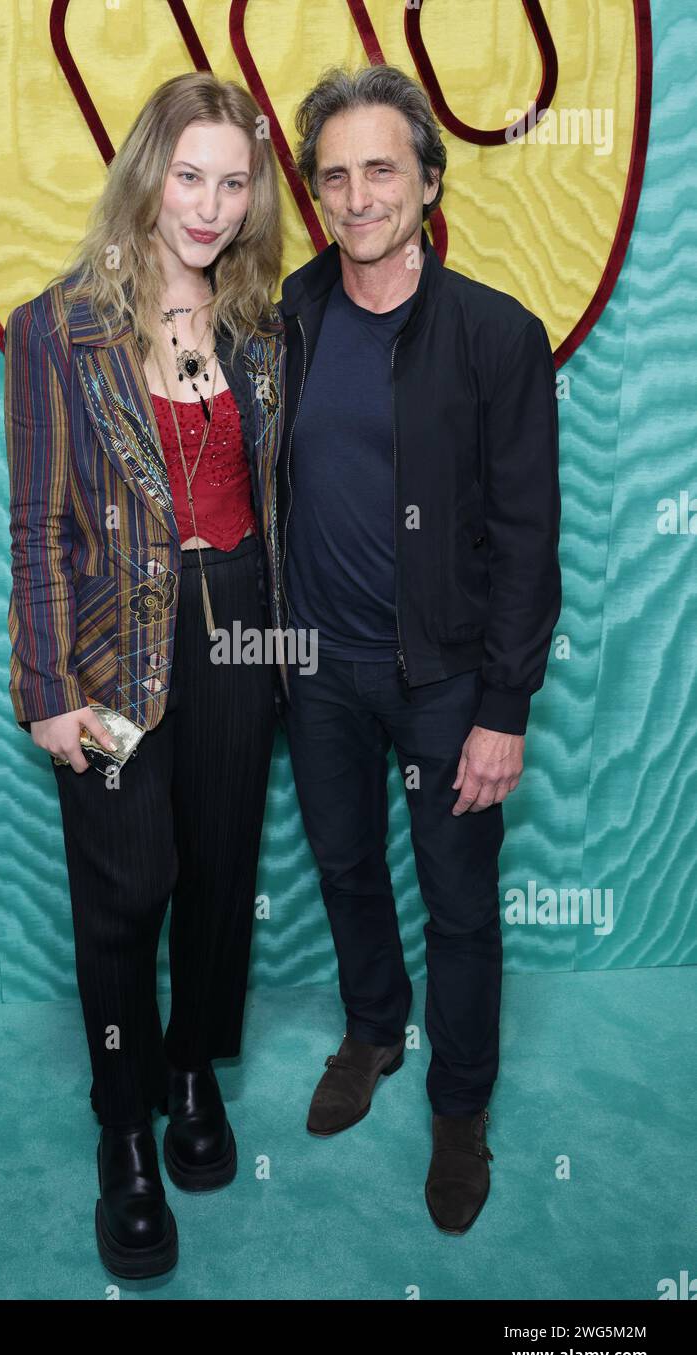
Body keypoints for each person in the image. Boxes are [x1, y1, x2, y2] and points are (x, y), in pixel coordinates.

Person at [3, 72, 287, 1278]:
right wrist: (48, 687)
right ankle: (122, 1122)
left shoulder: (262, 326)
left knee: (219, 876)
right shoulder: (56, 329)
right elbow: (36, 523)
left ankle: (187, 1068)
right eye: (188, 177)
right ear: (145, 177)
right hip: (115, 647)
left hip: (241, 637)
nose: (210, 206)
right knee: (127, 890)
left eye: (233, 182)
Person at [275, 65, 561, 1235]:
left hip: (445, 682)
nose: (356, 197)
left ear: (429, 183)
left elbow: (527, 536)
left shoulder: (496, 336)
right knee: (344, 867)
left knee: (459, 904)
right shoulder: (288, 316)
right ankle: (372, 1030)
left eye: (380, 170)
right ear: (314, 193)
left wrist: (503, 707)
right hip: (314, 670)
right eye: (333, 176)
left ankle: (458, 1106)